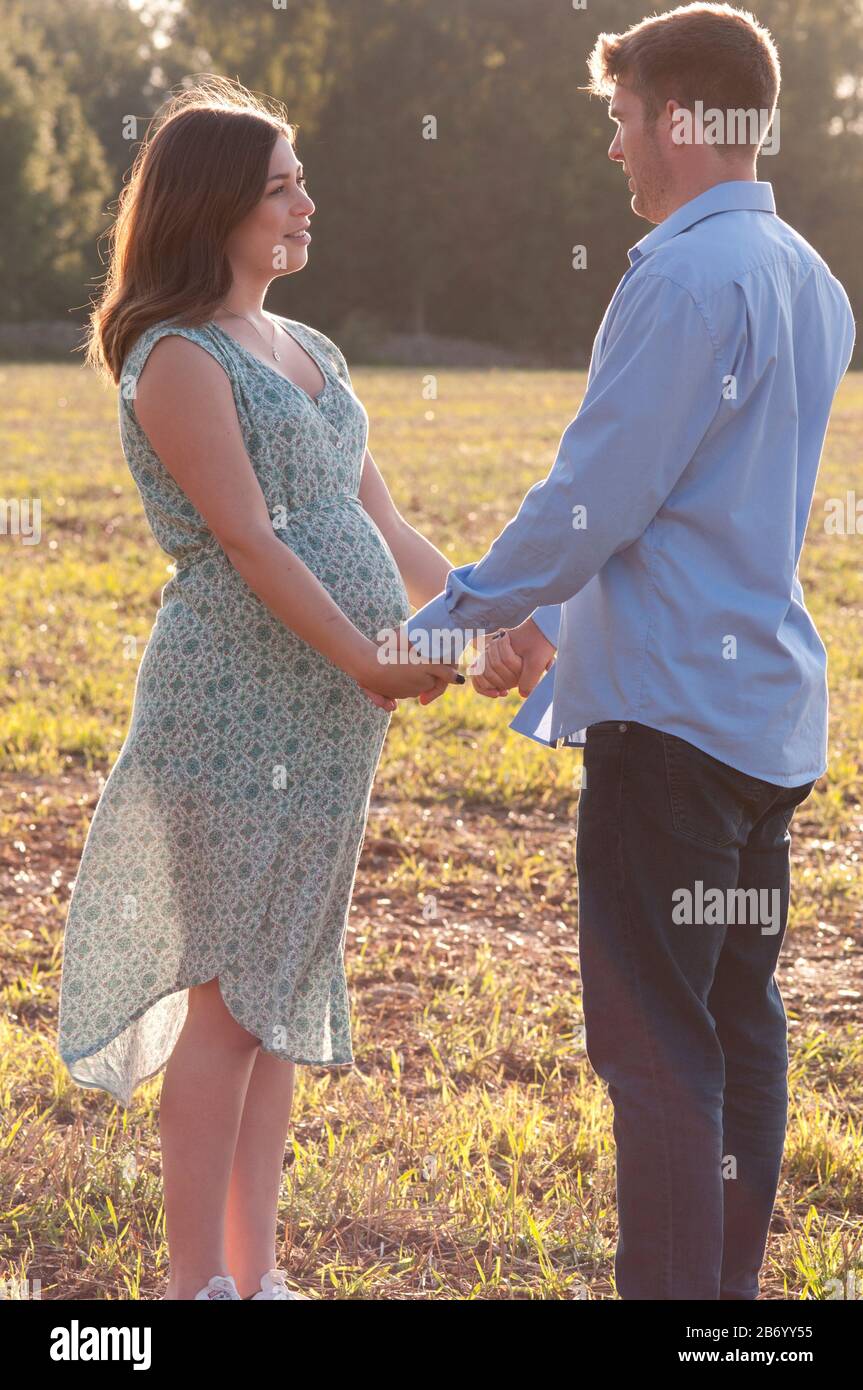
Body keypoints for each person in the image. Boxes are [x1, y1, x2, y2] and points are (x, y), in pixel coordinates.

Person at [406, 3, 855, 1299]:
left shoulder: (678, 275)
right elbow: (693, 497)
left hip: (666, 722)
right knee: (734, 1025)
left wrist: (452, 621)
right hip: (761, 720)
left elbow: (596, 497)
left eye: (616, 118)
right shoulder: (808, 279)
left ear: (674, 118)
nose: (610, 148)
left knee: (658, 1050)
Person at [57, 74, 462, 1302]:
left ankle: (257, 1272)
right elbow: (252, 542)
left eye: (298, 180)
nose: (306, 202)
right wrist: (369, 657)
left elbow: (379, 520)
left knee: (279, 997)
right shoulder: (175, 357)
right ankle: (195, 1290)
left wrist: (488, 618)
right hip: (230, 710)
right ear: (216, 205)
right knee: (229, 1001)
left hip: (332, 719)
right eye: (281, 185)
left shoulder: (313, 351)